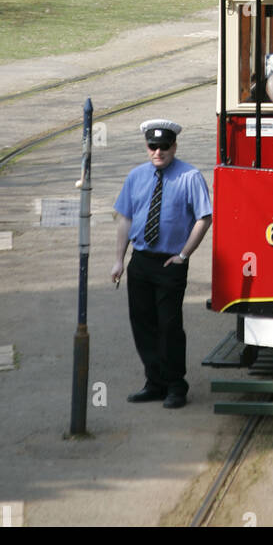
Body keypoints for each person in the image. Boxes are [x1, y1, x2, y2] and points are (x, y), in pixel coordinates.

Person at [111, 119, 212, 409]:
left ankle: (175, 385)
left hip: (170, 263)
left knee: (169, 325)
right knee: (142, 323)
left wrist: (183, 255)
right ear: (147, 147)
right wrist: (118, 260)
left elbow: (204, 217)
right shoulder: (136, 177)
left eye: (164, 146)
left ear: (174, 147)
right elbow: (125, 218)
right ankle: (154, 382)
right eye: (153, 146)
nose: (158, 152)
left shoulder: (189, 176)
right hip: (140, 261)